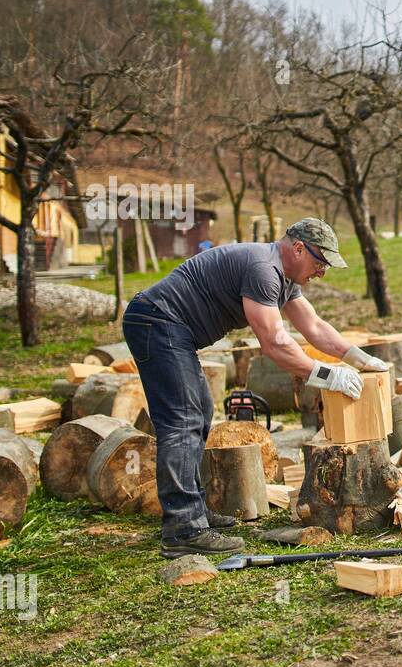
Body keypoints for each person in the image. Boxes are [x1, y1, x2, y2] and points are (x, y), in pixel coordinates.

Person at [122, 218, 388, 558]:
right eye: (320, 262)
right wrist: (328, 375)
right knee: (183, 420)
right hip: (157, 322)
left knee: (199, 411)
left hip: (170, 328)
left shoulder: (285, 277)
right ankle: (183, 528)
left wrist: (357, 357)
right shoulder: (264, 269)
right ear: (297, 248)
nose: (322, 272)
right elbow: (274, 343)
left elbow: (314, 326)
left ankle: (194, 511)